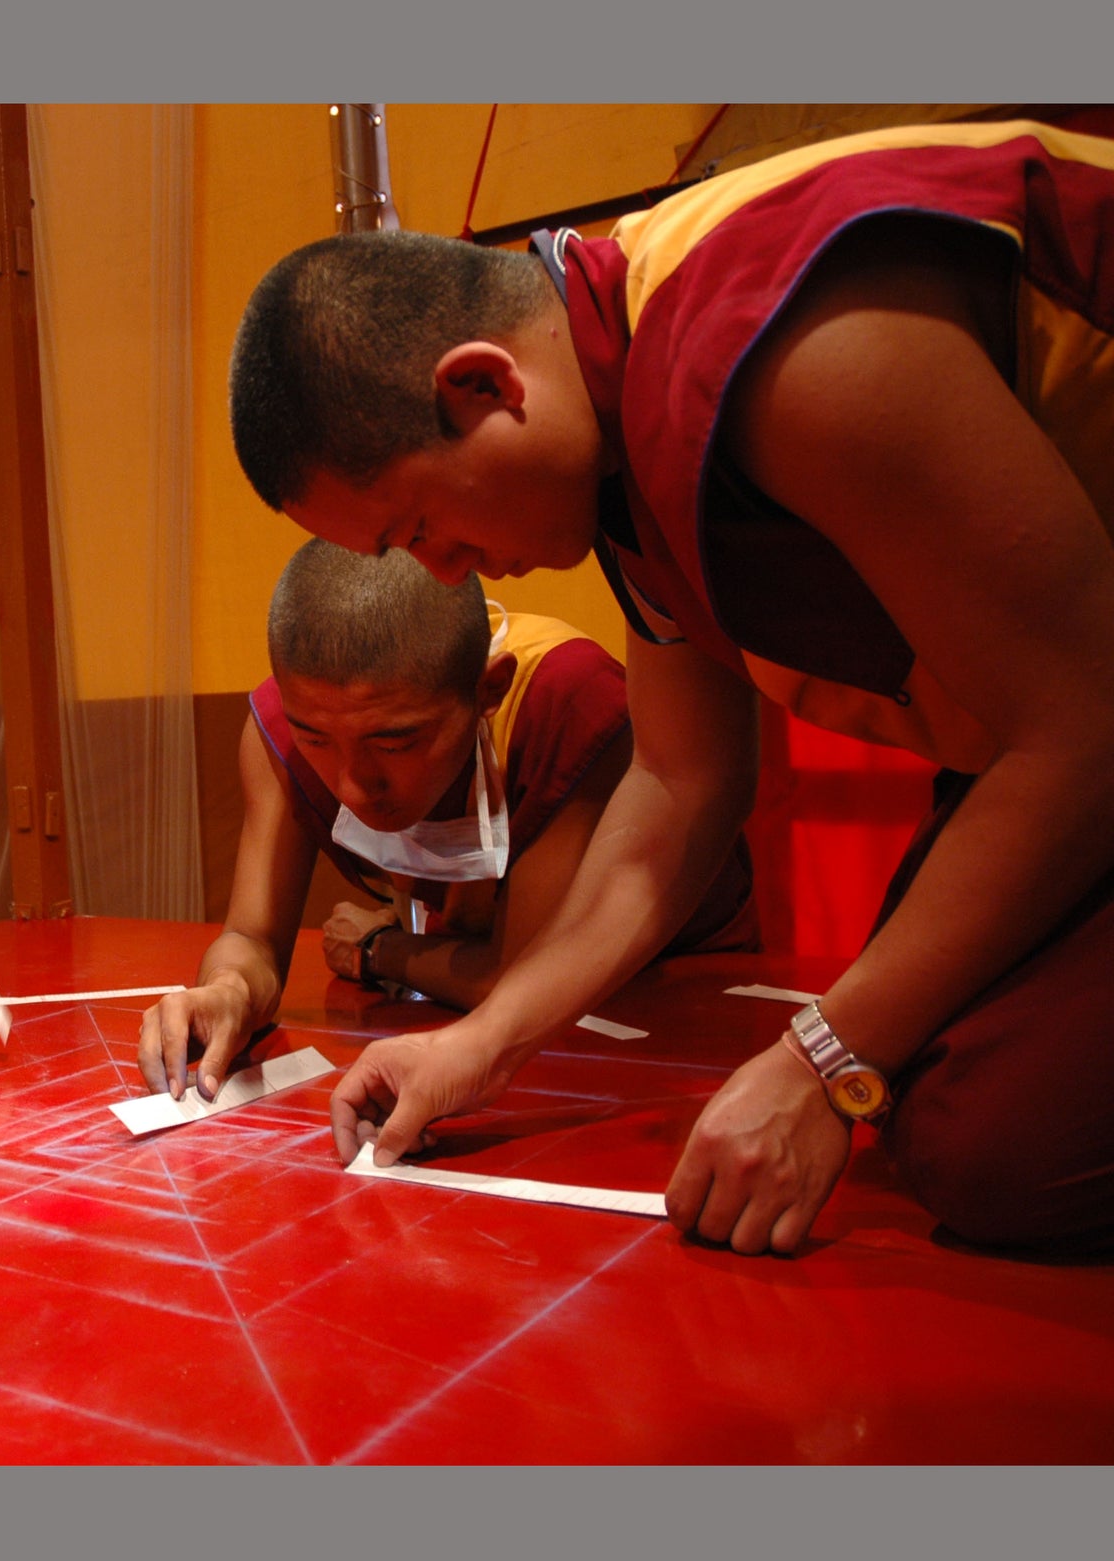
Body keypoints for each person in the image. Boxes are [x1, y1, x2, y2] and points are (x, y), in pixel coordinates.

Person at [227, 119, 1114, 1255]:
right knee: (931, 1075)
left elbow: (1086, 724)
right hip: (1058, 735)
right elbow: (682, 782)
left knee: (991, 1142)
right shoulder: (625, 441)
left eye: (419, 529)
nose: (446, 574)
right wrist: (482, 1043)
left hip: (1082, 727)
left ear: (483, 387)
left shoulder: (790, 345)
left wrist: (819, 1059)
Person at [138, 541, 753, 1100]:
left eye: (397, 742)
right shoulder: (279, 733)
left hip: (682, 990)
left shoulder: (569, 702)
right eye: (317, 739)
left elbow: (515, 978)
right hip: (487, 1008)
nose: (354, 784)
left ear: (489, 692)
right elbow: (251, 939)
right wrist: (228, 991)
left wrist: (380, 950)